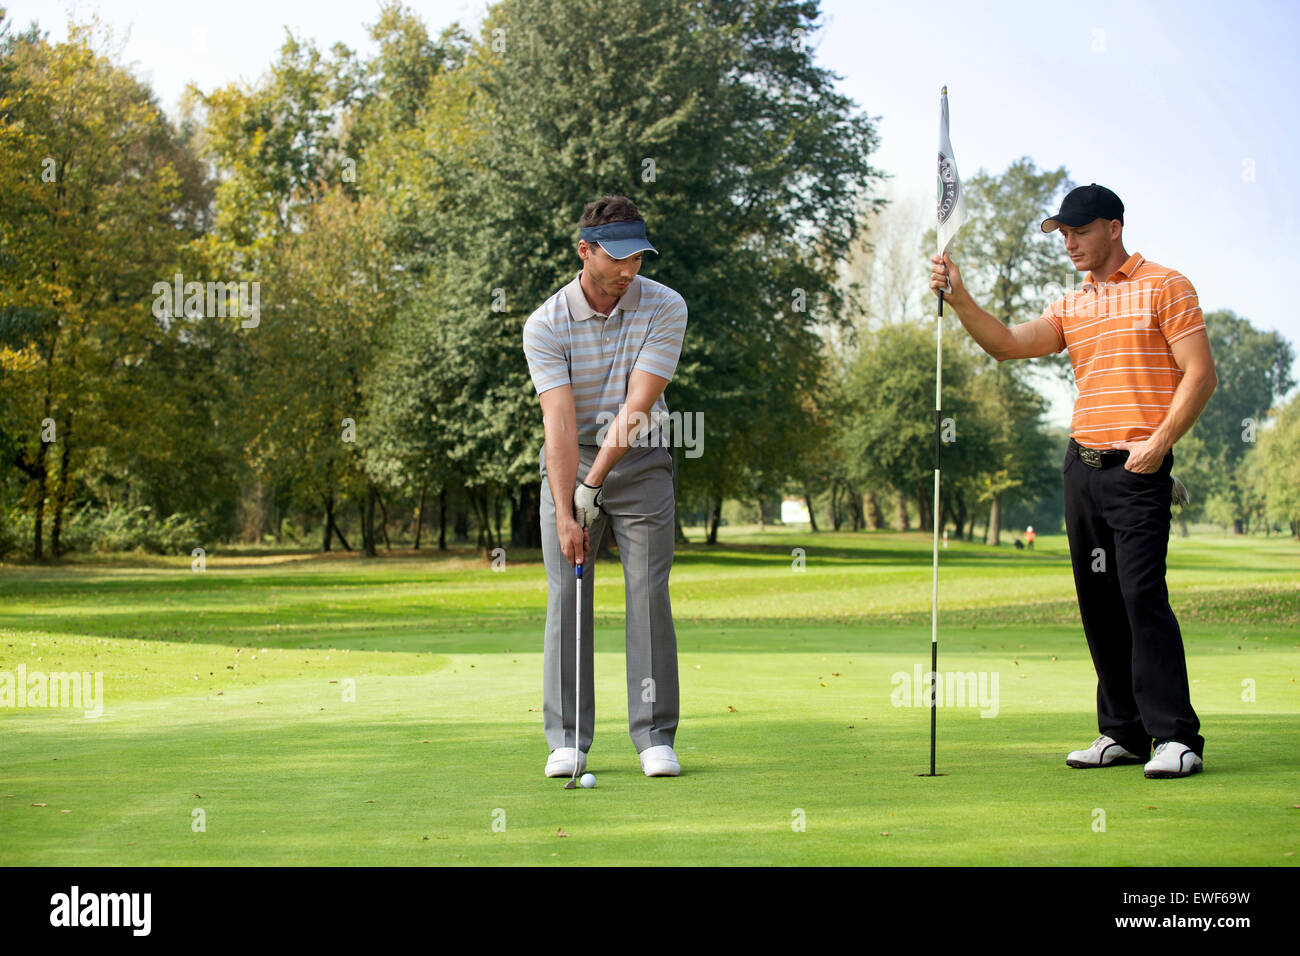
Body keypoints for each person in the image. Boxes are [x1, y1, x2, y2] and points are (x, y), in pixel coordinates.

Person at [929, 183, 1217, 778]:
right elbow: (1008, 345)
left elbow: (1201, 374)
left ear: (1113, 227)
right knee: (1099, 601)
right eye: (1062, 233)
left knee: (1141, 596)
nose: (1069, 243)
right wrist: (961, 301)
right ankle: (1122, 732)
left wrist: (1160, 444)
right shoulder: (1072, 304)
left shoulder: (1166, 285)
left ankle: (1175, 736)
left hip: (1137, 469)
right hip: (1081, 469)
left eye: (1080, 231)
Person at [522, 195, 688, 779]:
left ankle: (653, 736)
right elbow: (559, 424)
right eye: (617, 258)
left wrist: (597, 484)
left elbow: (638, 405)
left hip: (641, 461)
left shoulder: (666, 306)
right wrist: (569, 510)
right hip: (571, 459)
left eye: (637, 258)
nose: (628, 270)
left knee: (647, 594)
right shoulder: (545, 324)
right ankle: (567, 737)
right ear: (585, 251)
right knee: (569, 594)